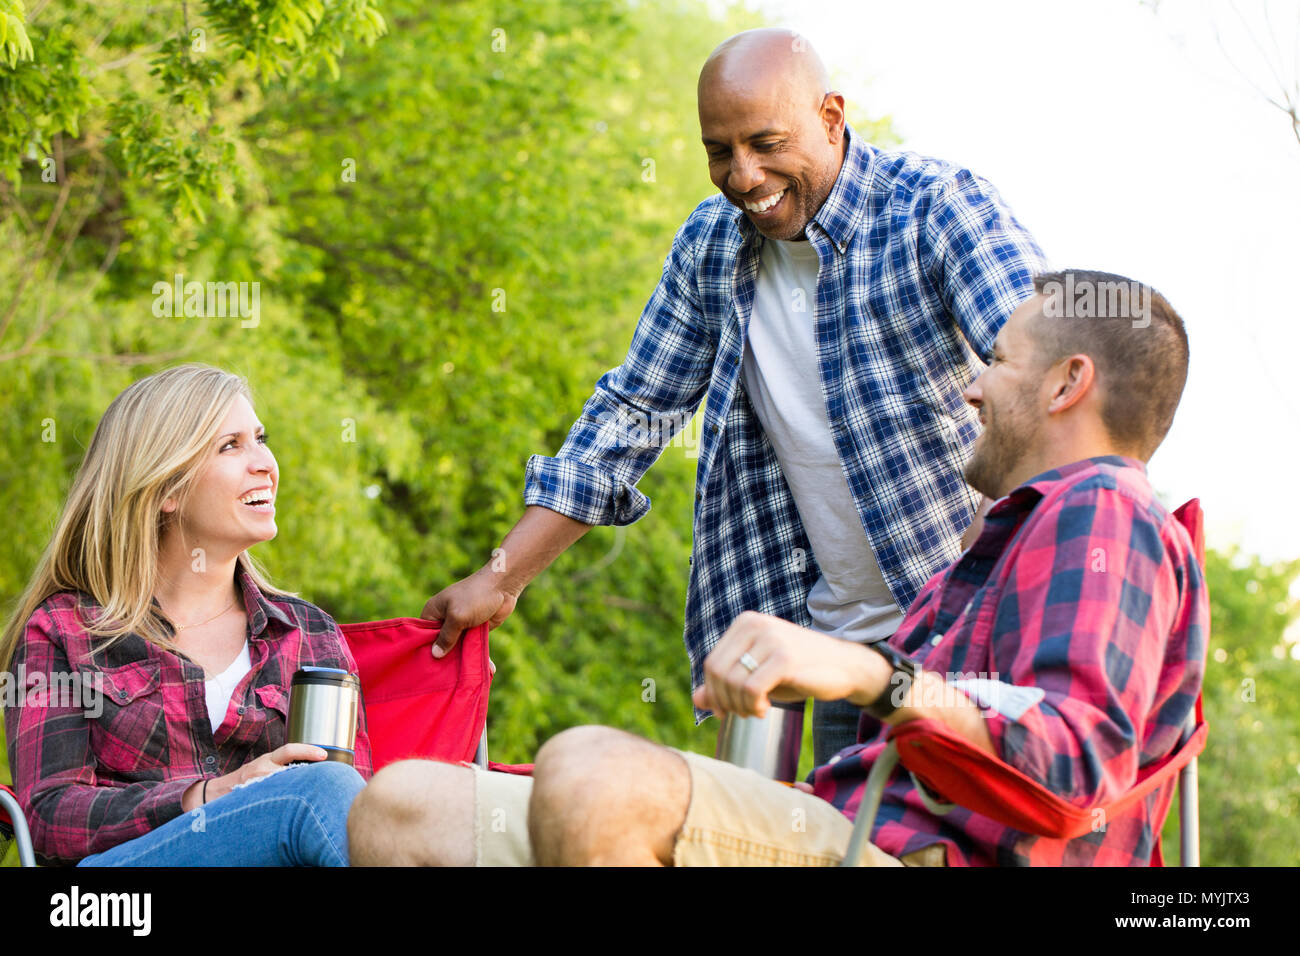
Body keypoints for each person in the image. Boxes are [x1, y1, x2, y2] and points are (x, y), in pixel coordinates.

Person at [347, 269, 1207, 866]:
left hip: (916, 854)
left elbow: (1077, 767)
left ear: (1067, 385)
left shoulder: (1106, 511)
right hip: (843, 822)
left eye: (1000, 362)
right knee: (402, 806)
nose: (971, 389)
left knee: (594, 775)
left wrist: (869, 671)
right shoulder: (1011, 537)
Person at [420, 28, 1048, 763]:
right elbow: (631, 414)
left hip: (960, 637)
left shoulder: (938, 210)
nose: (744, 175)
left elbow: (1045, 370)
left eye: (767, 142)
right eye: (720, 150)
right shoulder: (711, 245)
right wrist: (501, 576)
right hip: (815, 640)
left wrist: (994, 523)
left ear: (832, 116)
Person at [1, 365, 372, 866]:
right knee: (319, 790)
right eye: (230, 446)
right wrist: (210, 794)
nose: (264, 462)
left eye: (260, 439)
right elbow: (47, 818)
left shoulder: (308, 632)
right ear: (166, 490)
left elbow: (356, 813)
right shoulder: (65, 630)